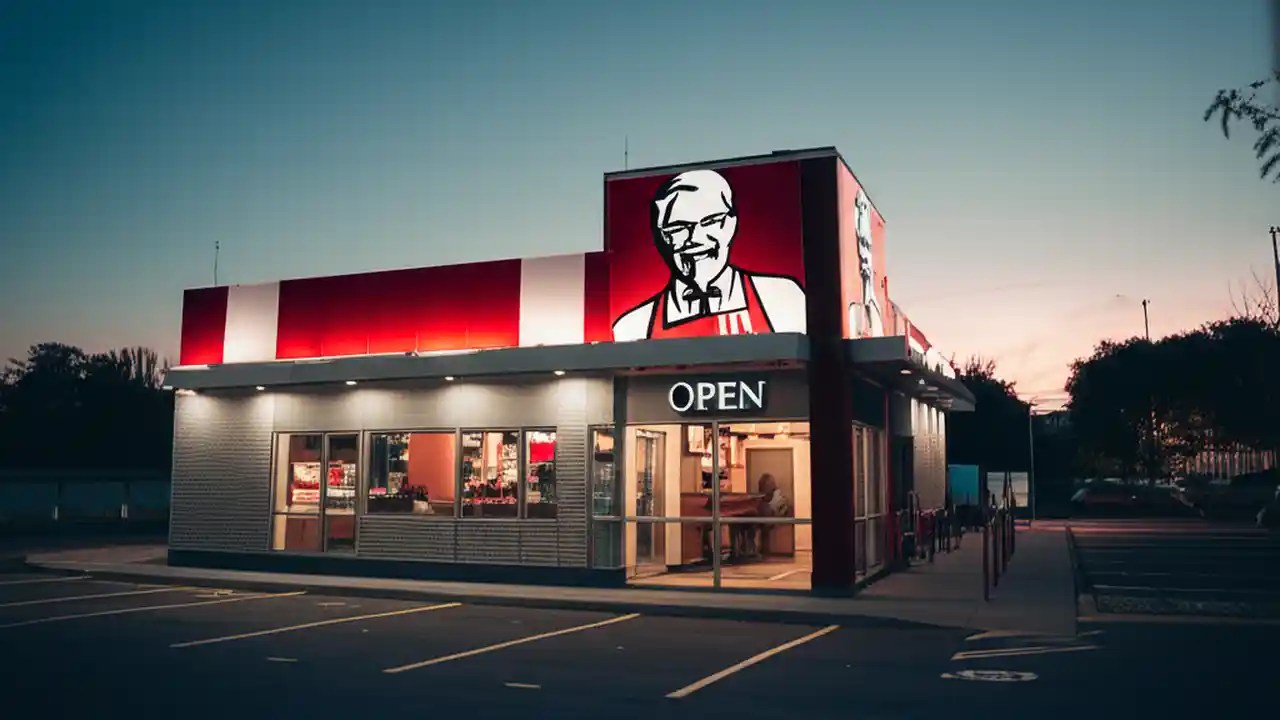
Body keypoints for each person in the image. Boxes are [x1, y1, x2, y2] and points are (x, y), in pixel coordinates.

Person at [612, 169, 807, 341]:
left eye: (711, 221)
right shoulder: (632, 326)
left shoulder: (782, 296)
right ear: (661, 238)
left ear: (731, 225)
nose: (695, 238)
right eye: (678, 228)